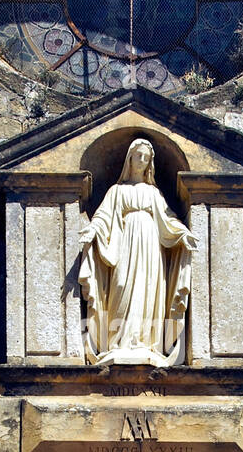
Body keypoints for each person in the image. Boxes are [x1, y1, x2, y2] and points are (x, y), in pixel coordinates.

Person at [77, 139, 198, 365]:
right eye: (138, 156)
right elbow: (103, 217)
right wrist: (92, 230)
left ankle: (147, 342)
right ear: (129, 158)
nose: (142, 161)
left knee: (149, 287)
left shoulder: (153, 193)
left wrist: (183, 233)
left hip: (151, 246)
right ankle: (118, 343)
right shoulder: (116, 191)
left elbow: (169, 218)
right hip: (124, 242)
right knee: (121, 284)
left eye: (146, 157)